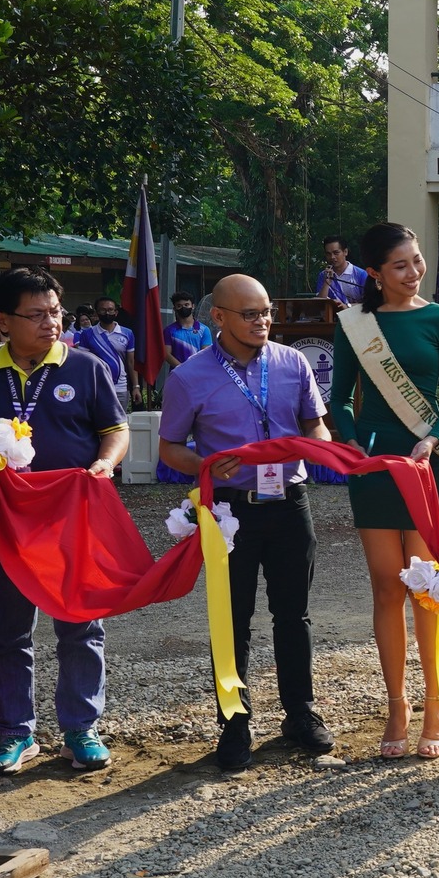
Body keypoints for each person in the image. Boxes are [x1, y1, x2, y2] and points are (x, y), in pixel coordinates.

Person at [0, 268, 128, 775]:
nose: (51, 323)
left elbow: (115, 430)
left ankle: (80, 728)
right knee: (9, 630)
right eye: (37, 314)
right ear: (2, 321)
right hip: (4, 521)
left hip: (70, 518)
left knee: (80, 624)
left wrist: (104, 464)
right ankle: (14, 734)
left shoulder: (86, 367)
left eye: (56, 311)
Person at [159, 274, 336, 771]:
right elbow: (169, 447)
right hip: (230, 511)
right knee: (231, 621)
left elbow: (312, 422)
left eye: (266, 313)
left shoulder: (292, 361)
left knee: (293, 614)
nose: (262, 322)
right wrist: (204, 465)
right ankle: (234, 724)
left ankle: (299, 712)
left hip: (289, 503)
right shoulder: (189, 377)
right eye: (250, 314)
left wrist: (321, 442)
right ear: (218, 317)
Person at [328, 222, 439, 760]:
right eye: (400, 266)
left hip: (425, 463)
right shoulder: (355, 325)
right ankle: (397, 703)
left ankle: (435, 703)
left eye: (417, 262)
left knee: (427, 588)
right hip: (375, 466)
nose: (414, 273)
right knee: (386, 587)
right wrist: (354, 444)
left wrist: (433, 438)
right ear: (375, 274)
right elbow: (339, 398)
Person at [74, 297, 137, 413]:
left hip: (120, 387)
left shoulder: (127, 333)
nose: (107, 313)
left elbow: (131, 361)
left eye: (110, 310)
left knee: (120, 423)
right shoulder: (87, 334)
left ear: (116, 312)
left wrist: (136, 387)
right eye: (103, 310)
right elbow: (83, 362)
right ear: (97, 313)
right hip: (96, 386)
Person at [162, 291, 215, 375]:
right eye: (179, 306)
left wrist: (193, 370)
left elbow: (205, 353)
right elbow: (166, 354)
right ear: (174, 308)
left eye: (186, 305)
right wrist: (182, 369)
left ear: (193, 306)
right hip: (177, 375)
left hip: (198, 374)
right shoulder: (169, 331)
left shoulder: (204, 329)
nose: (183, 308)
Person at [318, 235, 370, 308]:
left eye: (336, 253)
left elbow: (369, 303)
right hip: (331, 318)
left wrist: (347, 306)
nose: (332, 257)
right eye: (328, 254)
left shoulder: (361, 274)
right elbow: (319, 304)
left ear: (345, 252)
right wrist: (327, 283)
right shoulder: (323, 275)